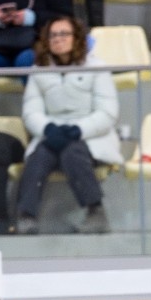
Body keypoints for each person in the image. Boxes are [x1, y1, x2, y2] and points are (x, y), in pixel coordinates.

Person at [16, 15, 121, 235]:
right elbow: (31, 112)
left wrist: (78, 130)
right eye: (53, 35)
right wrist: (47, 129)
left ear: (77, 38)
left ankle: (96, 213)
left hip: (90, 135)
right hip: (52, 132)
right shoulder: (39, 69)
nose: (58, 39)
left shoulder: (96, 67)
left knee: (72, 151)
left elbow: (108, 112)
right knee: (38, 156)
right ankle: (26, 216)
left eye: (64, 34)